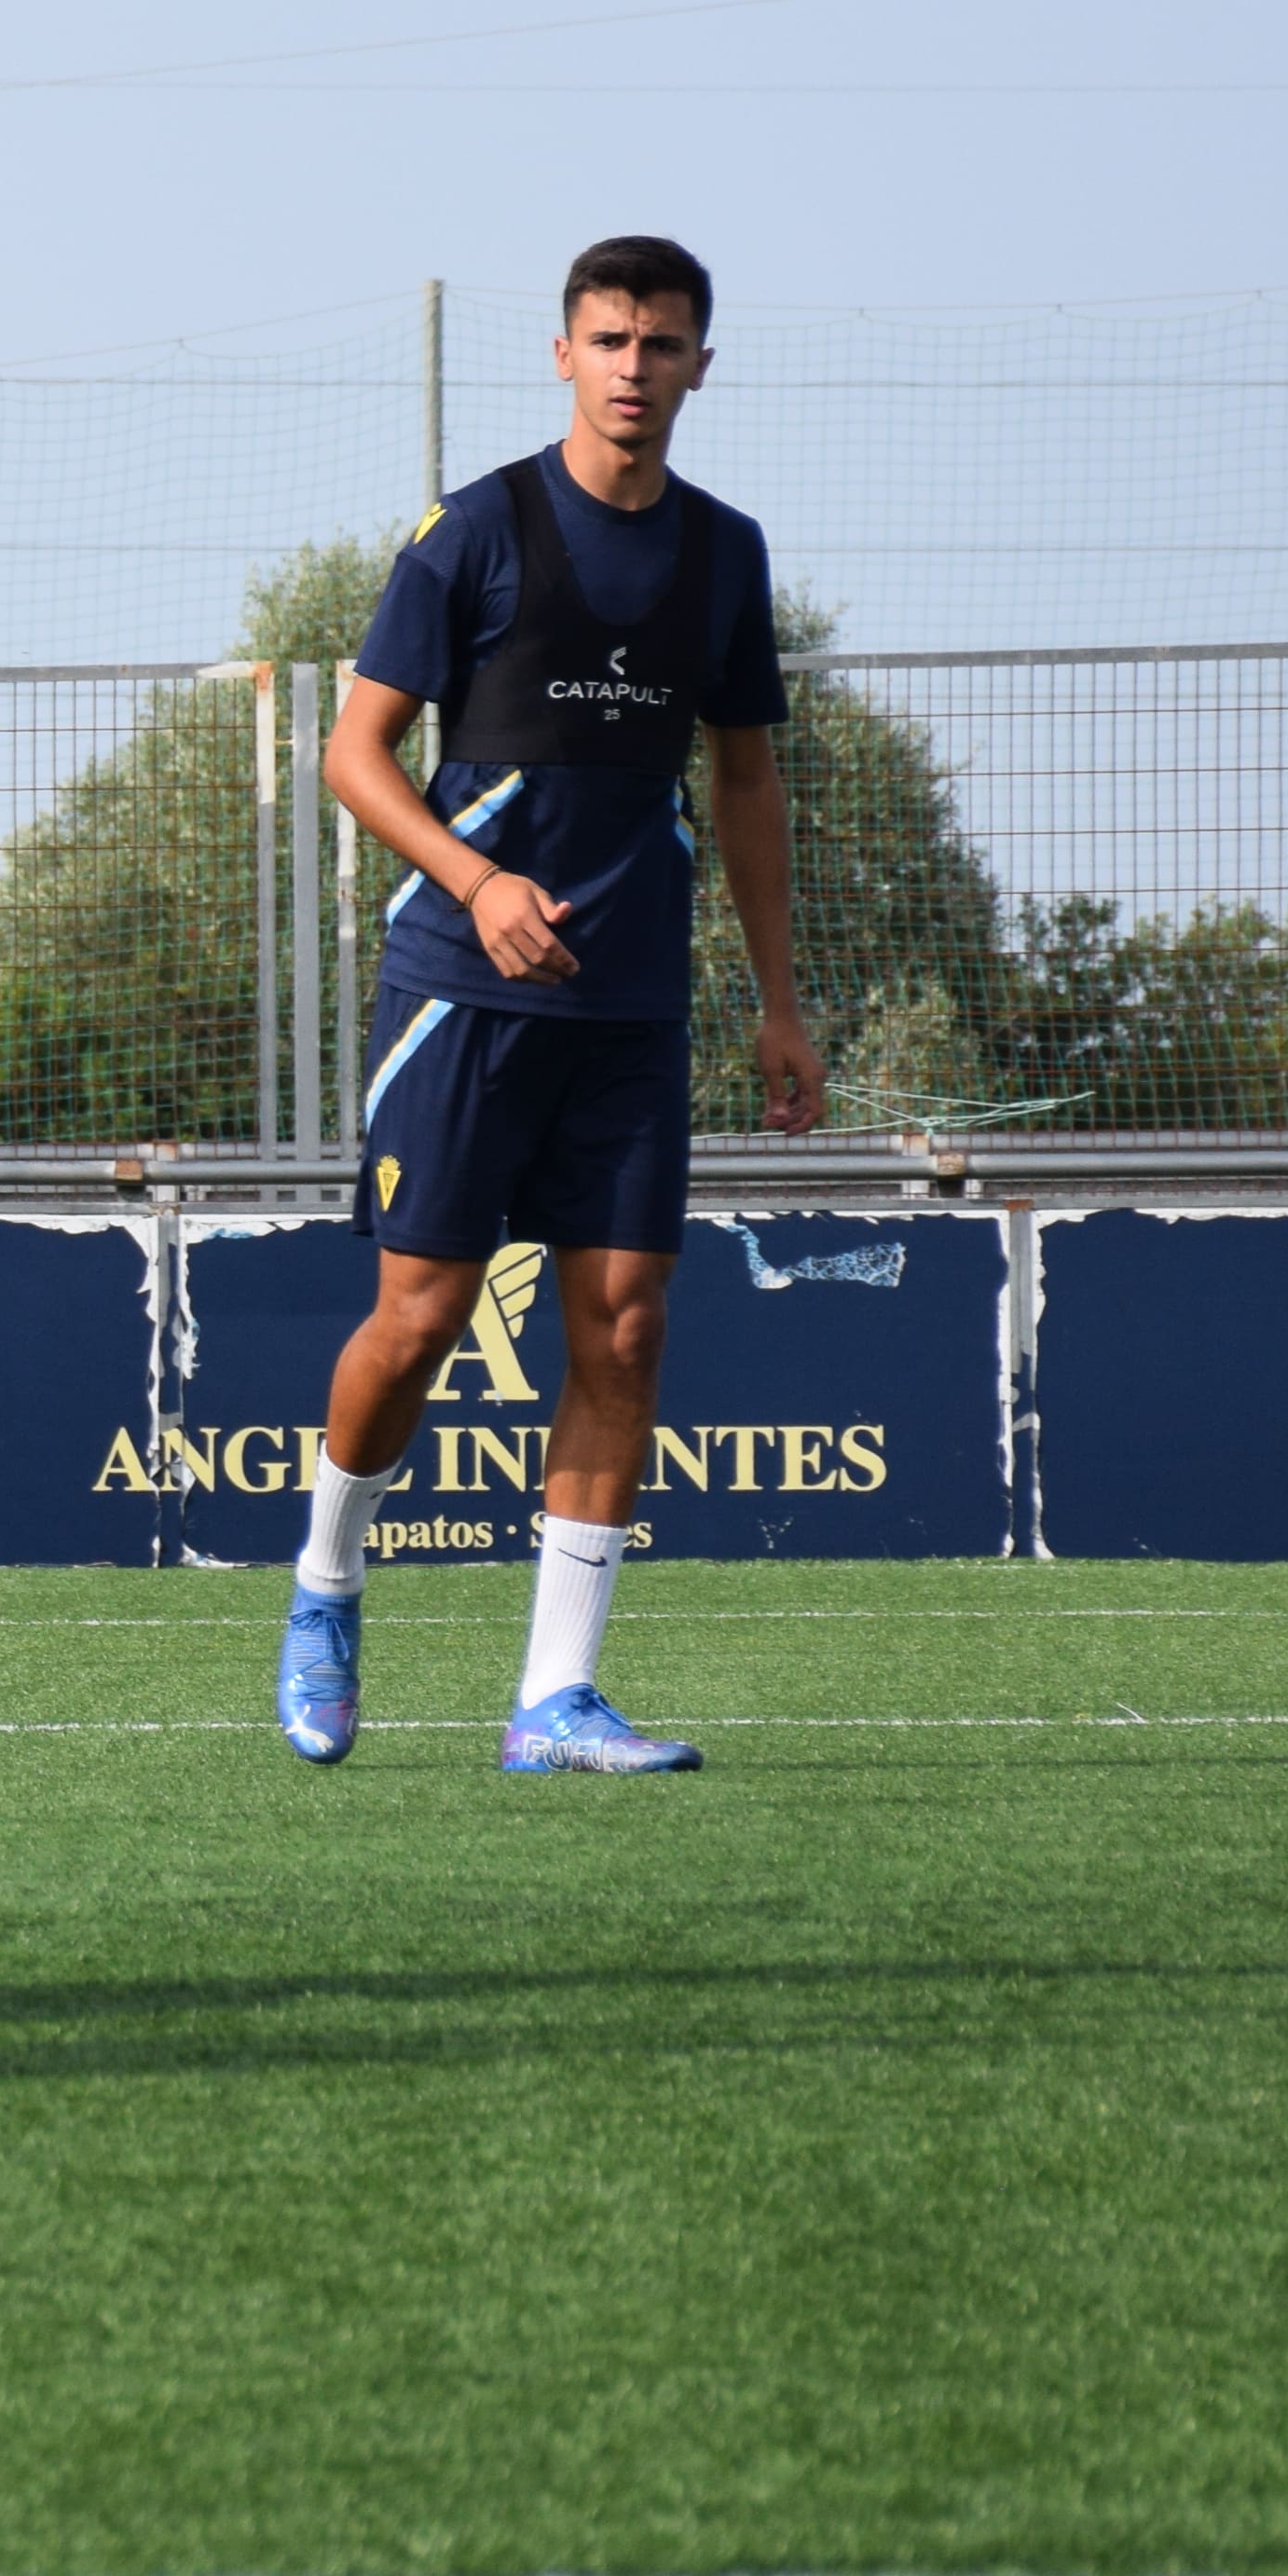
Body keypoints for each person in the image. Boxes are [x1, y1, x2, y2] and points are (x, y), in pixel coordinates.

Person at [277, 232, 825, 1773]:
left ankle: (554, 1698)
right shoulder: (478, 530)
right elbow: (355, 755)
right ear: (564, 354)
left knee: (626, 1330)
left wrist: (780, 1003)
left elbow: (745, 776)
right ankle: (326, 1587)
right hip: (461, 990)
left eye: (661, 345)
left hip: (636, 1003)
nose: (633, 368)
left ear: (702, 364)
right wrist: (477, 882)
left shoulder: (726, 554)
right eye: (607, 340)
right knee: (420, 1318)